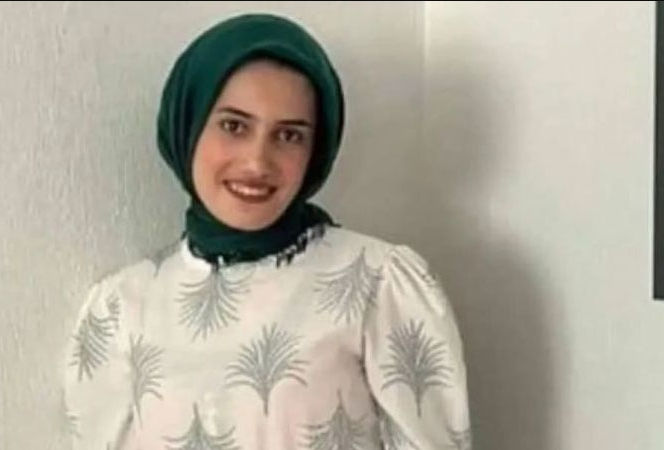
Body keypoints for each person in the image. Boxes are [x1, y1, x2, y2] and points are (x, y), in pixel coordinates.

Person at [61, 12, 471, 450]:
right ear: (187, 126)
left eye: (289, 135)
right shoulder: (122, 306)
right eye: (234, 126)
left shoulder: (379, 284)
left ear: (316, 149)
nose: (257, 162)